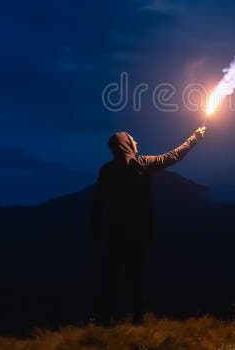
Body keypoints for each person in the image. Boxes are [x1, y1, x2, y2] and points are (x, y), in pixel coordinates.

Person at [90, 127, 206, 324]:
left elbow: (98, 202)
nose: (136, 142)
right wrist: (194, 139)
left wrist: (95, 228)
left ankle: (105, 321)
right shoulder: (143, 164)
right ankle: (139, 320)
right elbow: (174, 156)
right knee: (139, 278)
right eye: (132, 140)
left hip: (115, 234)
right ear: (126, 144)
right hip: (140, 234)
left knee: (111, 278)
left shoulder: (107, 171)